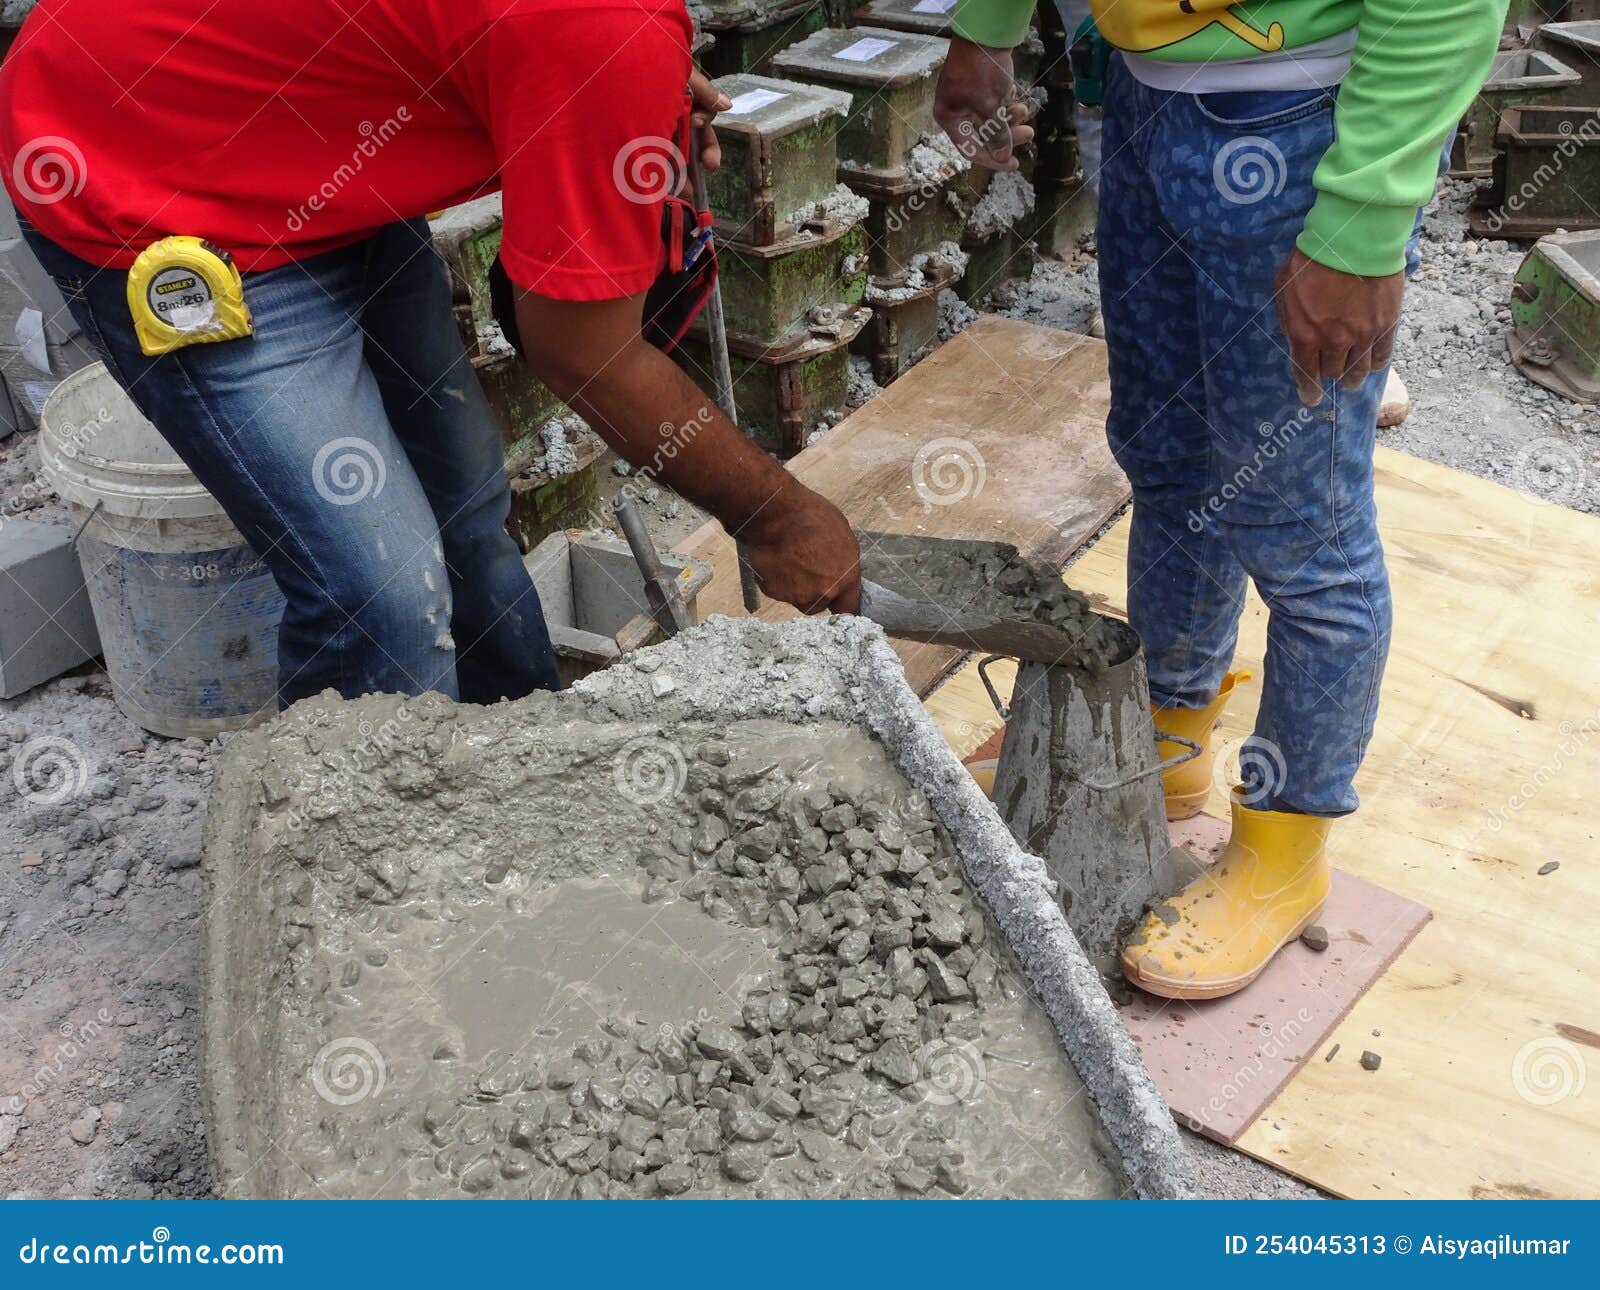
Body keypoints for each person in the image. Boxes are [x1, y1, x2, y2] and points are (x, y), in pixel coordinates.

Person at [0, 0, 861, 711]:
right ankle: (375, 890)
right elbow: (585, 355)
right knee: (380, 595)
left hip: (319, 137)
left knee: (465, 507)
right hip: (136, 165)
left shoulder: (599, 30)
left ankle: (516, 766)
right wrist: (776, 518)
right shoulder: (594, 28)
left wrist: (627, 82)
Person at [937, 0, 1501, 999]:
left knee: (1299, 530)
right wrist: (982, 26)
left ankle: (1282, 852)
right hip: (1150, 101)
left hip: (1300, 119)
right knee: (1171, 460)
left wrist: (1362, 222)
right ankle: (1168, 731)